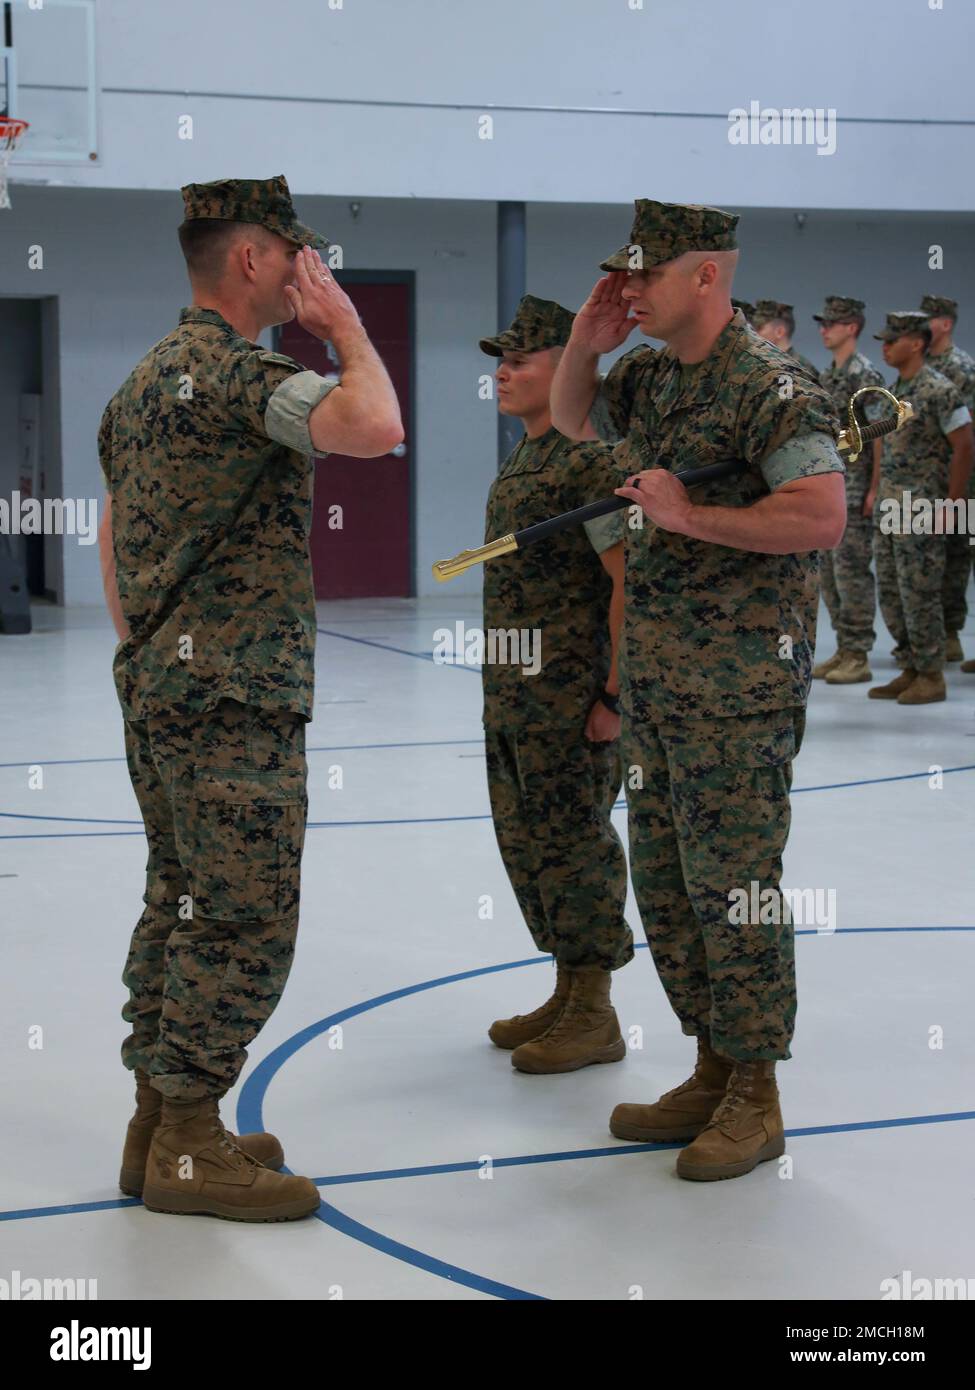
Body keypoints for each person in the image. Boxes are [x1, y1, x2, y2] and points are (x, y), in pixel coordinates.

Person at [97, 174, 402, 1220]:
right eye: (297, 255)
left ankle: (159, 1120)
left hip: (161, 687)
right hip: (234, 695)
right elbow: (375, 424)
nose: (309, 272)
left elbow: (111, 531)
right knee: (244, 913)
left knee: (176, 899)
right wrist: (347, 327)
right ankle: (187, 1139)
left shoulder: (138, 385)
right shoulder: (236, 376)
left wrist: (146, 644)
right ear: (252, 260)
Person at [551, 199, 846, 1182]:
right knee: (670, 888)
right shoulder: (643, 375)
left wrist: (688, 517)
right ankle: (711, 1064)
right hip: (661, 682)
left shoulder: (773, 385)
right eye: (622, 275)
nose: (629, 288)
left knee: (737, 891)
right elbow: (569, 419)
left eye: (646, 274)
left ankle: (756, 1091)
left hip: (740, 690)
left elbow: (819, 516)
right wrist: (586, 345)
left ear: (706, 277)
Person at [477, 295, 634, 1074]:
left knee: (575, 846)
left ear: (566, 369)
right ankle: (568, 988)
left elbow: (625, 583)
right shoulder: (528, 455)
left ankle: (595, 1010)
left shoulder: (591, 463)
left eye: (518, 360)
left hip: (570, 699)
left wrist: (611, 695)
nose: (501, 373)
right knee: (531, 844)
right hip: (515, 697)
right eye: (498, 361)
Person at [867, 311, 973, 706]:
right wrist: (876, 490)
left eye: (892, 340)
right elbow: (884, 444)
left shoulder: (939, 389)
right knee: (893, 592)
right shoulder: (896, 390)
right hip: (891, 506)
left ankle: (931, 674)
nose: (885, 346)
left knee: (920, 592)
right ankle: (909, 666)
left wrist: (954, 503)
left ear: (916, 343)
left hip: (922, 508)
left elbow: (964, 445)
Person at [811, 295, 887, 684]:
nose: (823, 329)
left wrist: (876, 488)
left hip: (856, 490)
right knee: (831, 573)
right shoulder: (832, 373)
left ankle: (858, 654)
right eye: (823, 323)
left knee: (852, 572)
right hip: (835, 488)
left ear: (852, 327)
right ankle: (844, 647)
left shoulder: (865, 374)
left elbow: (881, 435)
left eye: (831, 323)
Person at [918, 295, 975, 666]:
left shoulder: (961, 368)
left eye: (931, 318)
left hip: (960, 481)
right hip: (927, 479)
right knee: (929, 562)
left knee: (956, 558)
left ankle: (951, 634)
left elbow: (967, 432)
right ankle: (934, 638)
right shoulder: (922, 366)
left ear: (946, 324)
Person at [753, 299, 819, 379]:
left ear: (779, 332)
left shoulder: (801, 369)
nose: (754, 332)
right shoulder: (758, 363)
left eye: (759, 328)